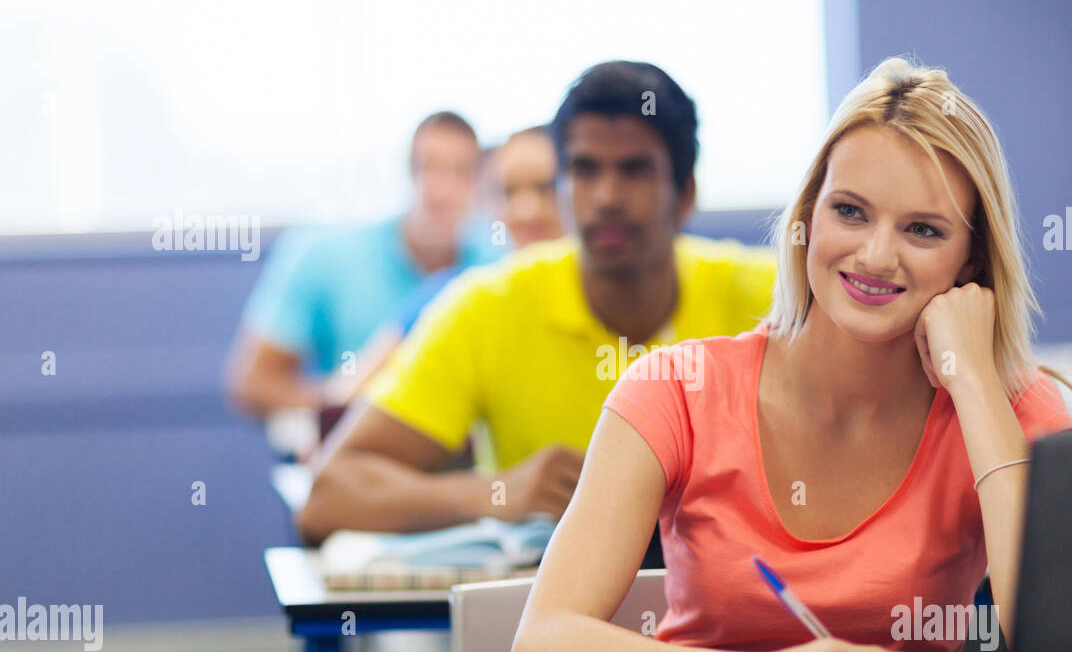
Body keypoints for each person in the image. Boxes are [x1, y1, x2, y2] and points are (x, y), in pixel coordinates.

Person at [508, 56, 1072, 652]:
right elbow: (542, 645)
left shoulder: (1007, 408)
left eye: (923, 229)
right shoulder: (676, 389)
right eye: (850, 211)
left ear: (971, 260)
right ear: (808, 219)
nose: (877, 256)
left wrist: (973, 379)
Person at [296, 61, 777, 545]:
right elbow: (326, 496)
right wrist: (502, 492)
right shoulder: (487, 307)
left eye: (635, 171)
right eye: (583, 170)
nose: (607, 196)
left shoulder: (774, 295)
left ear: (685, 194)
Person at [224, 111, 497, 418]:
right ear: (409, 174)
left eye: (461, 172)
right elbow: (254, 383)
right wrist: (340, 413)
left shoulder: (498, 268)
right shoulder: (327, 256)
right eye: (429, 168)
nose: (443, 190)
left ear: (480, 183)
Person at [328, 126, 567, 405]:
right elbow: (344, 397)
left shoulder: (613, 291)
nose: (526, 209)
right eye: (507, 192)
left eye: (545, 187)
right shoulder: (452, 293)